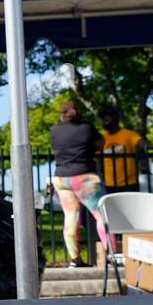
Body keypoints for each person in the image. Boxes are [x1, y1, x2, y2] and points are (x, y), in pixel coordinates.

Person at [49, 101, 111, 268]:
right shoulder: (86, 128)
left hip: (61, 178)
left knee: (71, 218)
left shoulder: (54, 131)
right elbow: (100, 144)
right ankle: (110, 254)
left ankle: (75, 259)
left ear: (62, 114)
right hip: (84, 177)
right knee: (102, 216)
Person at [98, 105, 144, 193]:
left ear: (116, 118)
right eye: (103, 118)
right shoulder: (102, 138)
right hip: (109, 183)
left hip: (129, 183)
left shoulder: (128, 134)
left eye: (108, 117)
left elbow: (141, 142)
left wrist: (152, 146)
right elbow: (99, 159)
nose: (105, 120)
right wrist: (100, 176)